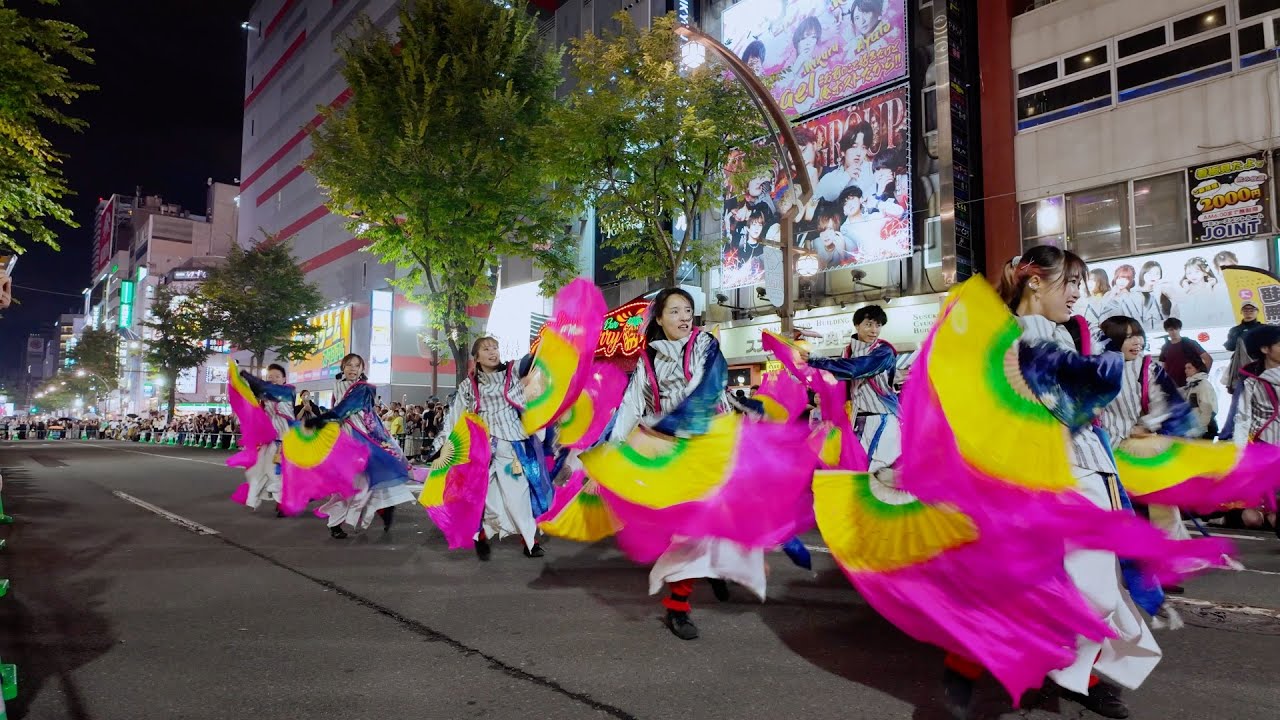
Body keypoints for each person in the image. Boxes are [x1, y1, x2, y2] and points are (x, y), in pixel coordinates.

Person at [944, 247, 1157, 720]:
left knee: (1085, 585)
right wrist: (1105, 361)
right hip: (1044, 474)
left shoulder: (1057, 332)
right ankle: (987, 668)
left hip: (1080, 467)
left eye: (1081, 283)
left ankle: (1066, 677)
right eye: (1071, 282)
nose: (1079, 292)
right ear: (1035, 282)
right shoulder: (1016, 335)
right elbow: (1070, 379)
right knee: (1074, 587)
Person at [608, 288, 745, 641]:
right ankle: (678, 607)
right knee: (685, 528)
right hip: (670, 450)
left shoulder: (704, 345)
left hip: (711, 444)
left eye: (688, 310)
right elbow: (631, 407)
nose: (685, 317)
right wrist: (609, 454)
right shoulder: (647, 360)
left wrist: (668, 423)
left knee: (721, 519)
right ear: (658, 318)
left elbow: (707, 387)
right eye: (675, 311)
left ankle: (710, 565)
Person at [433, 336, 549, 561]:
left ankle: (529, 540)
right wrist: (441, 444)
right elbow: (455, 416)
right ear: (476, 358)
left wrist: (541, 359)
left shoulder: (514, 373)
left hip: (512, 444)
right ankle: (482, 531)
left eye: (495, 347)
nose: (493, 352)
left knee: (518, 495)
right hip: (482, 447)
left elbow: (536, 367)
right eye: (486, 349)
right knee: (482, 495)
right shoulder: (469, 385)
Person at [314, 354, 416, 539]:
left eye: (357, 365)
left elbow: (353, 412)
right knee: (346, 485)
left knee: (364, 483)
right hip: (343, 441)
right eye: (349, 365)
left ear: (362, 369)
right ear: (342, 367)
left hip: (361, 439)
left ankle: (377, 511)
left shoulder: (365, 389)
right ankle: (340, 521)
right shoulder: (337, 386)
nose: (353, 368)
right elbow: (337, 410)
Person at [802, 304, 899, 481]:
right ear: (857, 325)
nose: (874, 330)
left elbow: (857, 368)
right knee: (858, 468)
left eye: (878, 325)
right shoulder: (846, 352)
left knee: (883, 470)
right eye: (869, 324)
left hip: (883, 417)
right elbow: (840, 383)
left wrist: (817, 360)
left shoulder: (884, 352)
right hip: (856, 420)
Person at [237, 364, 296, 515]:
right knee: (257, 470)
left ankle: (283, 502)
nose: (273, 379)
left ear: (284, 379)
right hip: (270, 441)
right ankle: (255, 500)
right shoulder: (265, 398)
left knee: (278, 473)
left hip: (286, 442)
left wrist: (248, 376)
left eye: (277, 376)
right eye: (270, 377)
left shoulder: (287, 391)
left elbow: (267, 390)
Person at [1223, 302, 1264, 394]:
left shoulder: (1263, 328)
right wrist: (1238, 335)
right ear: (1241, 312)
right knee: (1242, 395)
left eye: (1251, 310)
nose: (1248, 312)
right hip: (1241, 366)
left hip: (1260, 365)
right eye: (1245, 310)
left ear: (1257, 311)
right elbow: (1230, 347)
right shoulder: (1235, 330)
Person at [1158, 318, 1211, 387]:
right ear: (1167, 330)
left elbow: (1208, 359)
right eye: (1171, 329)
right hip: (1173, 387)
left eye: (1176, 328)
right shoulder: (1165, 347)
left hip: (1191, 385)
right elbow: (1164, 367)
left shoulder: (1190, 343)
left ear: (1180, 329)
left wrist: (1201, 377)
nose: (1174, 332)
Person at [1182, 355, 1219, 439]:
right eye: (1185, 368)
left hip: (1204, 431)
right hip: (1194, 429)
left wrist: (1200, 428)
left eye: (1189, 368)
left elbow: (1209, 409)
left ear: (1197, 369)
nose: (1186, 370)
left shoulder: (1203, 385)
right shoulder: (1191, 385)